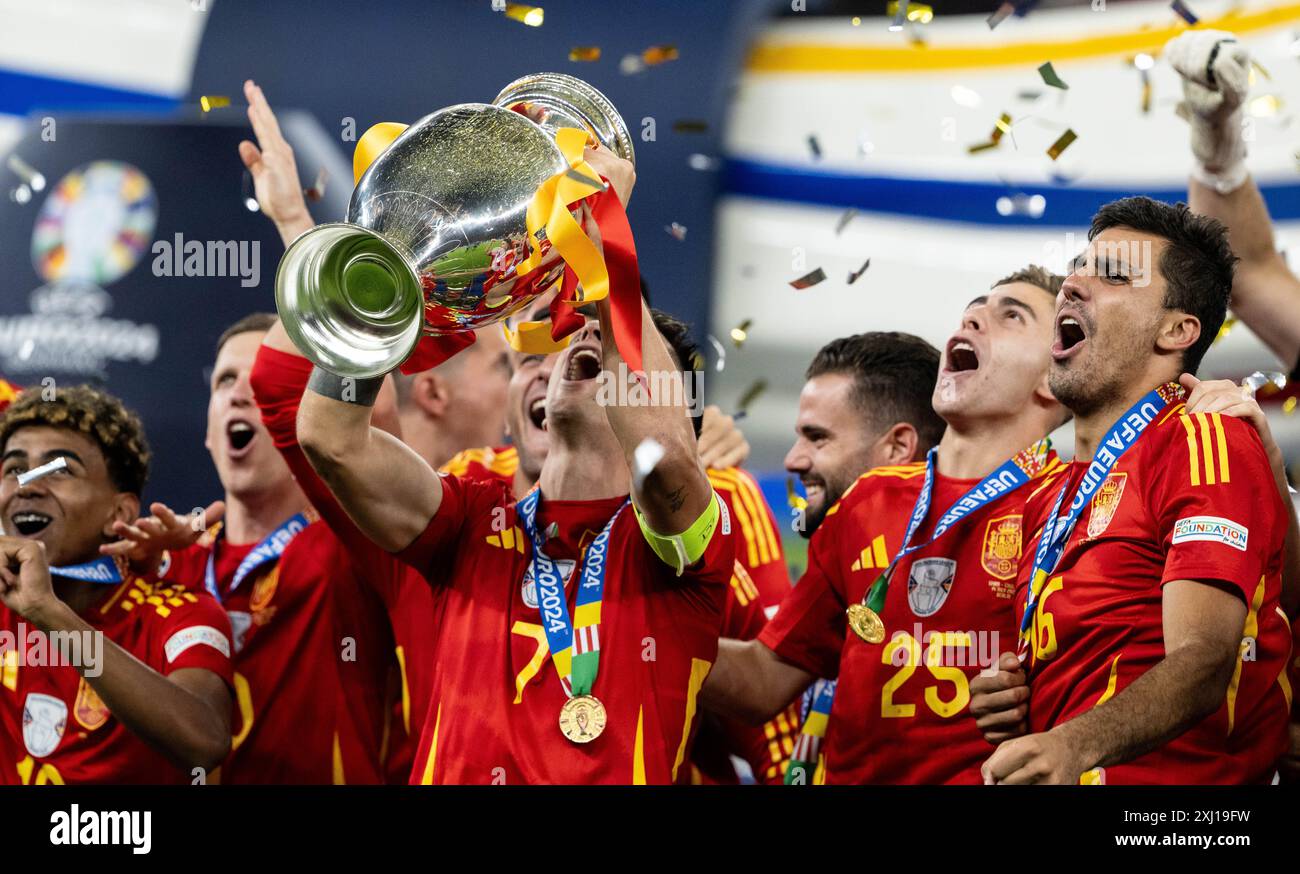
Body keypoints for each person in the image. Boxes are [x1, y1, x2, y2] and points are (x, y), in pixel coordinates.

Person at [701, 266, 1072, 784]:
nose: (975, 318)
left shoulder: (1072, 510)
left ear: (1056, 378)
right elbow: (765, 681)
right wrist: (638, 633)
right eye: (974, 309)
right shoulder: (866, 502)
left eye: (1011, 315)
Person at [976, 196, 1291, 784]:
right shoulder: (1048, 496)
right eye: (1078, 266)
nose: (1071, 284)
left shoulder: (1201, 438)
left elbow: (1204, 659)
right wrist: (1016, 696)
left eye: (1112, 275)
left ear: (1177, 330)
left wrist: (1072, 744)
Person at [109, 316, 400, 784]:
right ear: (208, 432)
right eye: (225, 381)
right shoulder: (165, 562)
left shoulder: (353, 542)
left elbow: (378, 426)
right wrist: (139, 577)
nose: (240, 393)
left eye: (261, 381)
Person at [0, 385, 232, 784]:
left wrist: (49, 613)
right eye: (13, 470)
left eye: (58, 471)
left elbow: (204, 742)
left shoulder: (178, 612)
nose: (28, 486)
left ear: (118, 512)